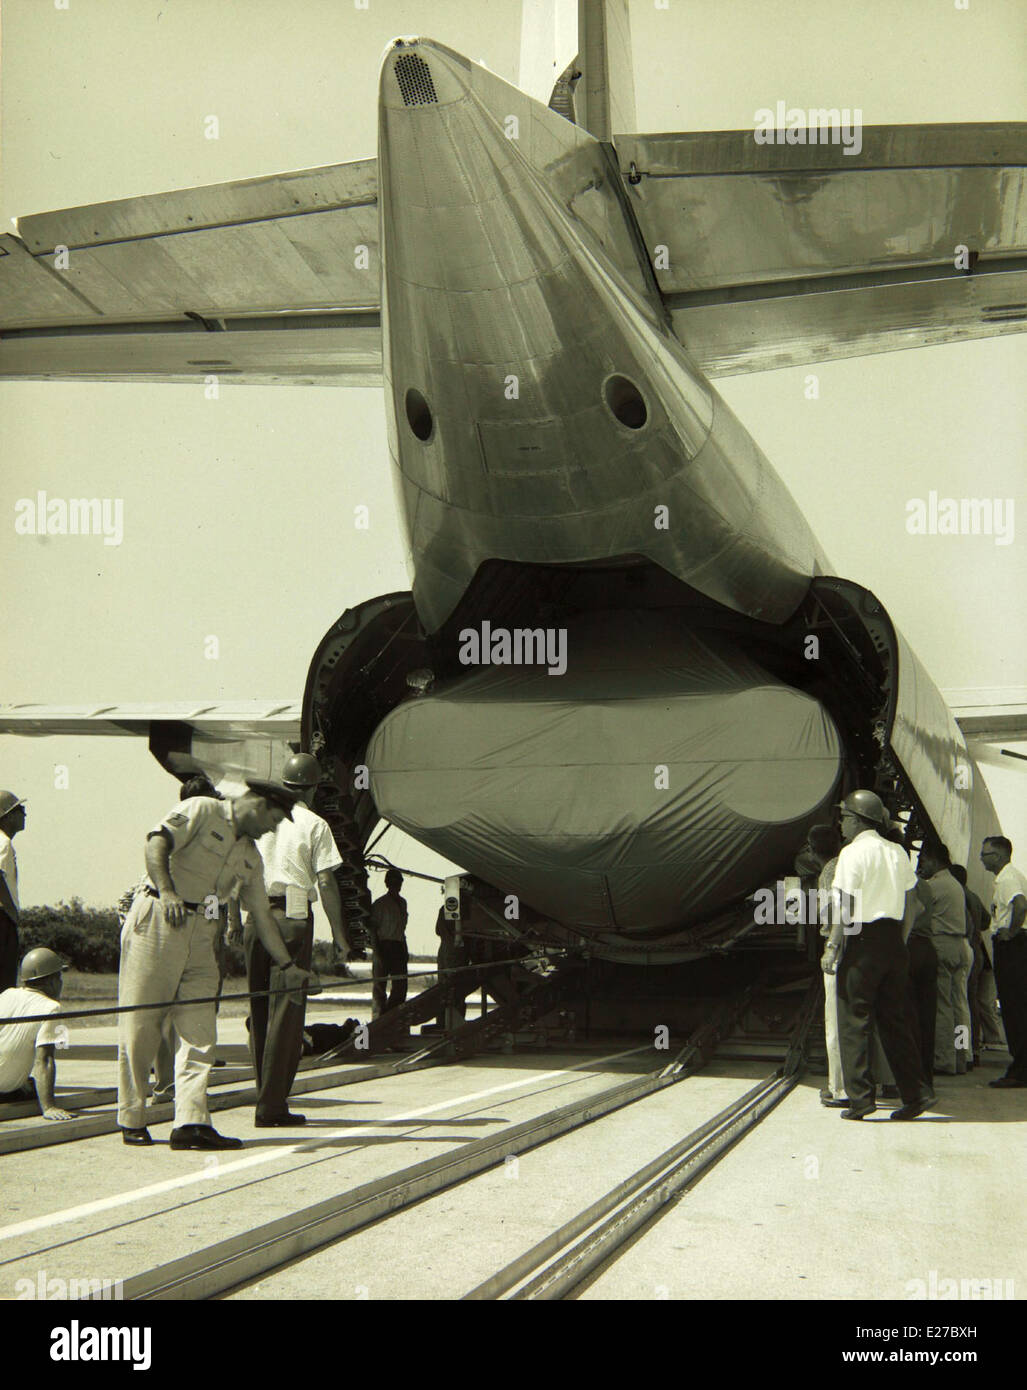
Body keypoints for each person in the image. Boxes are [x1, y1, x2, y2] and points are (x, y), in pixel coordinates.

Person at [117, 781, 318, 1150]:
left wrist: (288, 965)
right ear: (256, 804)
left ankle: (191, 1124)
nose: (271, 829)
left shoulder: (251, 856)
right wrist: (168, 891)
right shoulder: (202, 808)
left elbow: (261, 914)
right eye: (272, 819)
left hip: (202, 936)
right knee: (143, 1023)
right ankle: (132, 1118)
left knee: (200, 1031)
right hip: (160, 918)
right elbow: (156, 842)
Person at [247, 753, 351, 1127]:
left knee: (258, 1010)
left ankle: (264, 1094)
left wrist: (230, 922)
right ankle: (272, 1107)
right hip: (291, 921)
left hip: (255, 919)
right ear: (311, 787)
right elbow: (325, 881)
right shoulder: (314, 824)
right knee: (287, 1014)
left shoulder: (260, 820)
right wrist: (340, 936)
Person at [822, 790, 932, 1120]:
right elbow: (913, 904)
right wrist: (898, 941)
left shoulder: (851, 854)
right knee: (895, 1021)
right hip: (893, 942)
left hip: (861, 940)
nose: (841, 824)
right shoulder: (897, 853)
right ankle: (916, 1095)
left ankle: (860, 1099)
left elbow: (846, 905)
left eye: (844, 818)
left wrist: (833, 946)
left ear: (857, 820)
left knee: (853, 1018)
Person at [915, 843, 971, 1076]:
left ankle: (943, 1060)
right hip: (959, 945)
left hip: (941, 943)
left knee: (942, 1006)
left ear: (933, 859)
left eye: (922, 860)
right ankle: (961, 1055)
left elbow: (917, 914)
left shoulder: (934, 886)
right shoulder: (955, 884)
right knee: (959, 1005)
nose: (921, 865)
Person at [0, 948, 73, 1119]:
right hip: (3, 1089)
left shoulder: (6, 994)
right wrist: (48, 1107)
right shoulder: (51, 1008)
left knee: (29, 1084)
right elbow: (44, 1060)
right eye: (59, 978)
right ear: (53, 981)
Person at [979, 836, 1027, 1088]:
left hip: (1013, 946)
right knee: (1016, 1006)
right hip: (1017, 945)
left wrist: (1011, 931)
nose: (981, 858)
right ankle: (1021, 1065)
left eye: (985, 854)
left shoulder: (1008, 879)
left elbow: (1020, 904)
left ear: (997, 856)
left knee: (1013, 1006)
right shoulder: (1011, 876)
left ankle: (1020, 1070)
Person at [370, 868, 409, 1019]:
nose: (397, 885)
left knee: (400, 988)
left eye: (398, 882)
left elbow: (402, 929)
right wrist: (377, 952)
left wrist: (404, 950)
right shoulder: (380, 904)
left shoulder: (403, 903)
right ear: (387, 883)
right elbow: (373, 929)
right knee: (379, 988)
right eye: (393, 882)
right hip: (383, 945)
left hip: (399, 946)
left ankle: (392, 1018)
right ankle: (378, 1020)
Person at [0, 791, 28, 992]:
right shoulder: (3, 842)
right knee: (5, 984)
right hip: (3, 919)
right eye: (20, 809)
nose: (24, 814)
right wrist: (12, 914)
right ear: (7, 816)